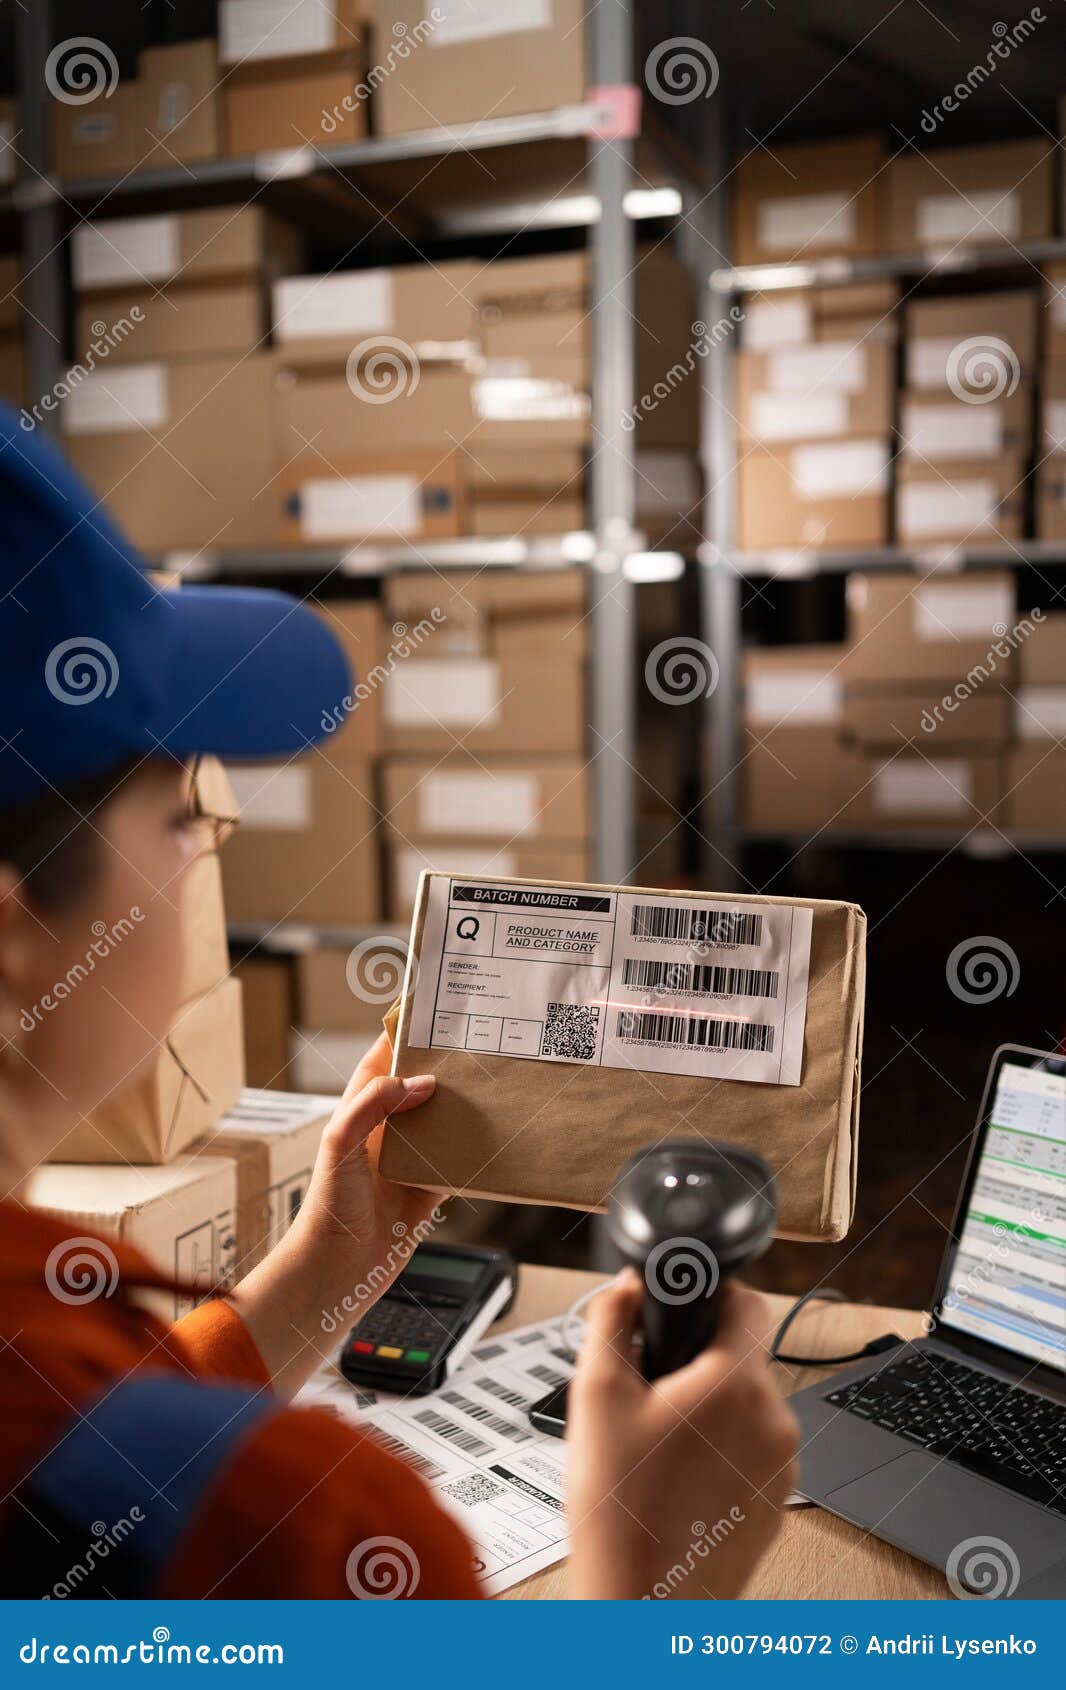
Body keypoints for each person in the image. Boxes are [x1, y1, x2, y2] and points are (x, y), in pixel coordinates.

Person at [0, 404, 798, 1599]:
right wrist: (645, 1580)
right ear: (14, 940)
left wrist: (332, 1262)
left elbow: (89, 1429)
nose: (203, 854)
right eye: (179, 818)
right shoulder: (315, 1531)